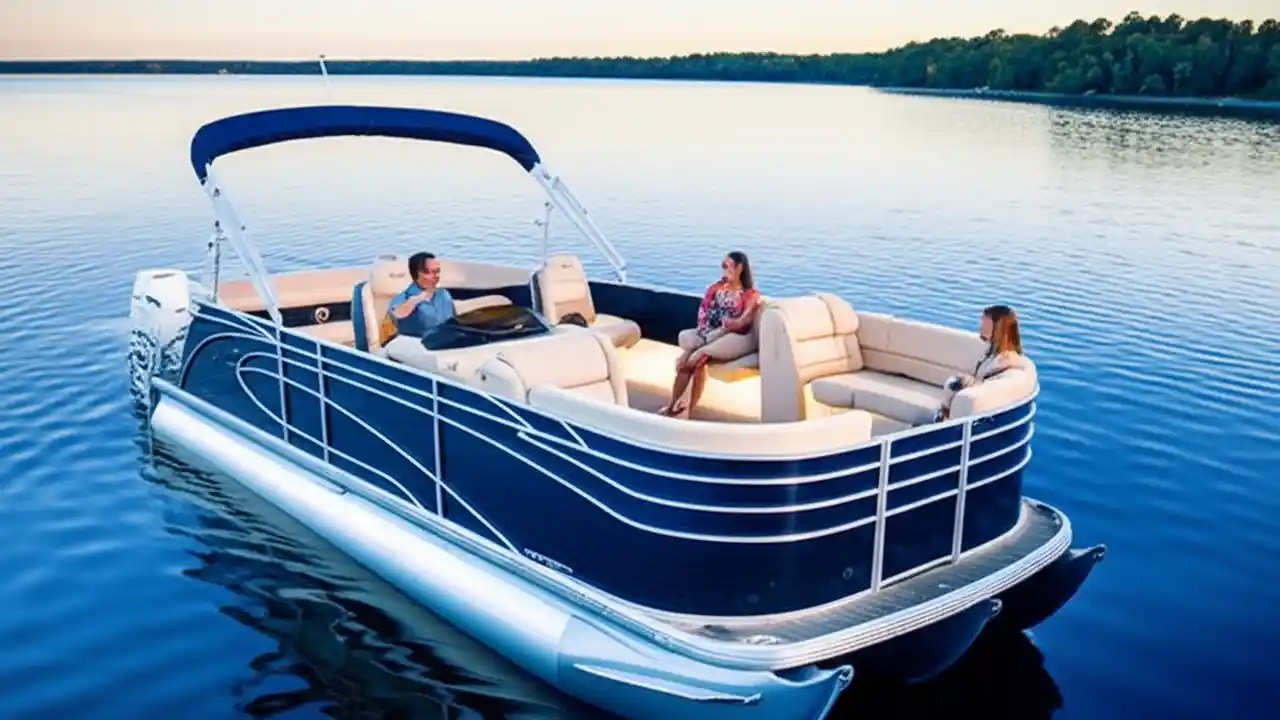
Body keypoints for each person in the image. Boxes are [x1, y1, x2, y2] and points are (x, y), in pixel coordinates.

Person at [658, 251, 761, 418]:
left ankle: (689, 410)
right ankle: (673, 406)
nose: (723, 270)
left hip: (735, 336)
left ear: (739, 268)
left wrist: (722, 328)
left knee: (694, 359)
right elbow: (703, 312)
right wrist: (706, 333)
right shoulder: (716, 288)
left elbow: (742, 322)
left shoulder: (750, 294)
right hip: (711, 333)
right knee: (687, 357)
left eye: (726, 266)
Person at [934, 304, 1028, 421]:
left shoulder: (1005, 361)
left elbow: (991, 390)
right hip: (974, 397)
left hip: (980, 411)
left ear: (997, 328)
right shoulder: (992, 353)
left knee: (952, 384)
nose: (981, 326)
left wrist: (967, 381)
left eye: (985, 323)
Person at [388, 252, 455, 337]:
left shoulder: (444, 294)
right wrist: (417, 299)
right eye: (432, 272)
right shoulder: (405, 296)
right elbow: (397, 313)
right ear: (418, 273)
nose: (436, 276)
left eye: (438, 272)